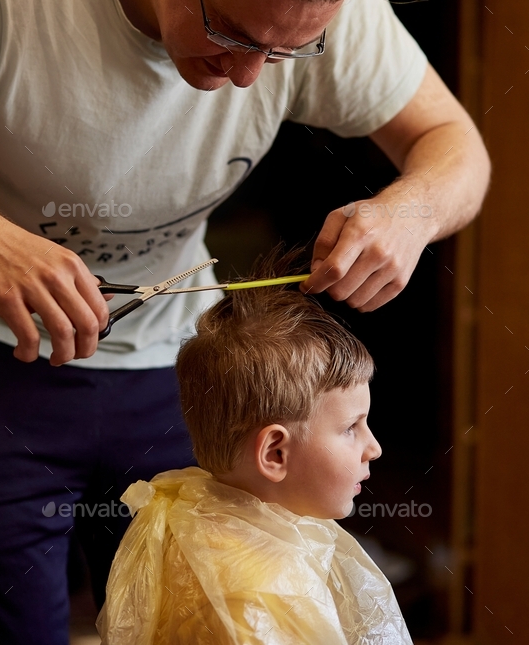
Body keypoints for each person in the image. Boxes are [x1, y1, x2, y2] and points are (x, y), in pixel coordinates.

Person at [0, 0, 489, 643]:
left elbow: (458, 151)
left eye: (283, 56)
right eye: (231, 35)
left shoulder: (318, 1)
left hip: (173, 360)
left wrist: (408, 210)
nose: (243, 78)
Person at [98, 252, 412, 644]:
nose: (374, 447)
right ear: (275, 453)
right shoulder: (252, 602)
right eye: (351, 428)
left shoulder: (196, 529)